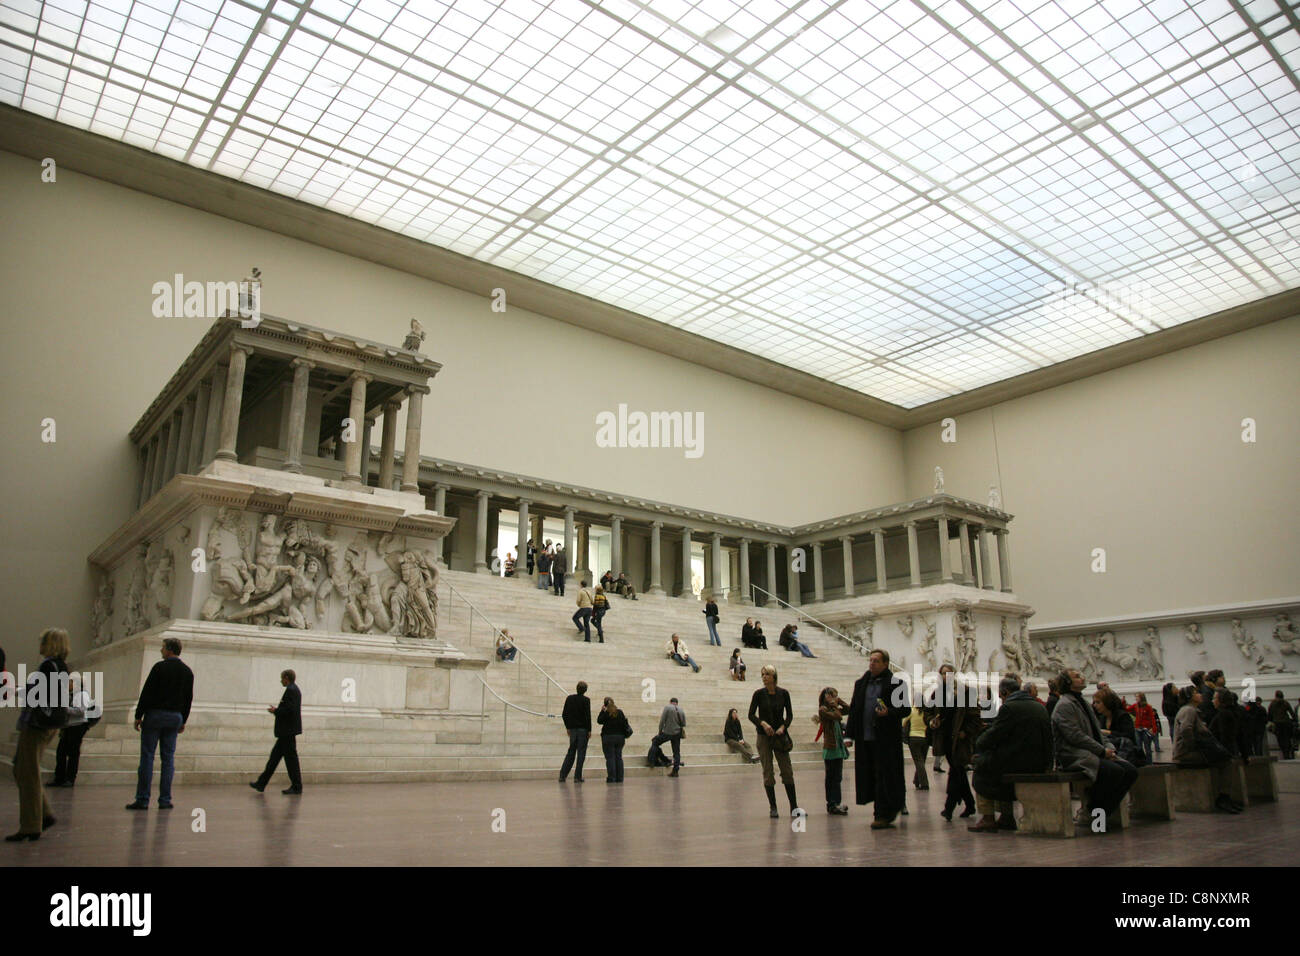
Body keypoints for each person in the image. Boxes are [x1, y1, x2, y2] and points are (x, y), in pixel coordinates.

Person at [1051, 668, 1137, 830]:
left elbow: (1097, 731)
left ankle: (1099, 809)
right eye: (1077, 676)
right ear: (1068, 683)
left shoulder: (1083, 702)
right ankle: (1093, 811)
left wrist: (1109, 748)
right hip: (1074, 754)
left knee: (1130, 771)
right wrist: (1102, 751)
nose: (1082, 677)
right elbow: (1075, 736)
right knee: (1114, 771)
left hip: (1092, 751)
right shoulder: (1064, 705)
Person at [7, 628, 71, 841]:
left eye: (42, 642)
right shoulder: (61, 667)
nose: (39, 646)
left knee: (27, 773)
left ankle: (31, 825)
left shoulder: (47, 666)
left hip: (36, 725)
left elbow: (36, 693)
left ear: (48, 644)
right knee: (23, 769)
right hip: (49, 723)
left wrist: (15, 691)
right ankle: (43, 814)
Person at [968, 674, 1052, 832]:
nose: (1001, 700)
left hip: (1019, 763)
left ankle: (988, 818)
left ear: (1005, 692)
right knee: (997, 765)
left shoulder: (1010, 707)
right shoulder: (1038, 706)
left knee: (981, 767)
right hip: (1038, 761)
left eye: (1001, 696)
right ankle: (1006, 817)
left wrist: (980, 743)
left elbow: (993, 735)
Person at [126, 637, 195, 811]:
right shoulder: (187, 672)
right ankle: (165, 799)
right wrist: (183, 720)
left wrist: (138, 714)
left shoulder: (159, 668)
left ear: (170, 650)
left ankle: (142, 798)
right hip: (174, 717)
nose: (161, 650)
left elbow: (147, 692)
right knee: (168, 759)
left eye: (163, 648)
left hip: (156, 715)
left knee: (148, 757)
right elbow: (188, 699)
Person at [845, 649, 909, 829]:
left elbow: (906, 710)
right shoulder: (861, 684)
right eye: (870, 660)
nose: (872, 663)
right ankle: (881, 811)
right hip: (865, 739)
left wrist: (889, 712)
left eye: (876, 661)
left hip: (886, 740)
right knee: (871, 775)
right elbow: (855, 710)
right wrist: (849, 734)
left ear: (885, 664)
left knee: (885, 776)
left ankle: (883, 813)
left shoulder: (897, 684)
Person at [1174, 685, 1242, 813]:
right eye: (1196, 693)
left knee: (1225, 759)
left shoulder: (1192, 710)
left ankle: (1225, 797)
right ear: (1190, 697)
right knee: (1226, 762)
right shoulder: (1189, 710)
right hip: (1187, 753)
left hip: (1190, 751)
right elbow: (1185, 729)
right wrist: (1192, 746)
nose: (1200, 694)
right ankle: (1223, 797)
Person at [749, 665, 797, 817]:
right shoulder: (758, 694)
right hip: (764, 736)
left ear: (774, 676)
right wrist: (762, 723)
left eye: (767, 674)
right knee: (768, 772)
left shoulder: (783, 693)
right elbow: (751, 715)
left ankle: (794, 807)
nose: (764, 677)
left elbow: (789, 715)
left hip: (779, 735)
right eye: (762, 674)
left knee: (787, 771)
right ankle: (773, 807)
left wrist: (783, 727)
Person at [934, 666, 980, 820]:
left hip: (960, 740)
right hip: (945, 738)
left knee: (956, 771)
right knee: (958, 771)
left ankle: (949, 808)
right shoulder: (937, 693)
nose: (945, 676)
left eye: (947, 673)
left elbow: (975, 716)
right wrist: (932, 721)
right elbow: (928, 712)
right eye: (942, 674)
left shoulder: (966, 692)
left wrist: (966, 732)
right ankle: (970, 805)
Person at [249, 669, 303, 795]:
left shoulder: (291, 690)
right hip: (287, 733)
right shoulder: (294, 690)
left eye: (282, 678)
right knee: (275, 759)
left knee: (289, 762)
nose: (281, 681)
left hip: (287, 733)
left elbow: (289, 710)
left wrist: (276, 711)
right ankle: (261, 783)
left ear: (287, 678)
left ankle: (296, 786)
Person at [51, 674, 98, 788]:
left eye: (70, 682)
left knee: (73, 753)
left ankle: (70, 778)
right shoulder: (71, 695)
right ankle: (59, 777)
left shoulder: (82, 695)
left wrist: (64, 709)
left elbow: (81, 711)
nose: (68, 684)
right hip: (68, 726)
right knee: (61, 752)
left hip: (77, 726)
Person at [818, 687, 850, 815]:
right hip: (830, 748)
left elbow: (848, 709)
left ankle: (835, 802)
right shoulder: (823, 709)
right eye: (830, 696)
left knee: (838, 777)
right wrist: (835, 705)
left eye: (835, 695)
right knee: (832, 777)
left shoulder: (833, 708)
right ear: (825, 697)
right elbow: (838, 716)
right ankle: (832, 803)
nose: (833, 698)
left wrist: (839, 701)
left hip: (838, 747)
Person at [1094, 686, 1145, 767]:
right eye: (1094, 702)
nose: (1095, 705)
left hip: (1126, 754)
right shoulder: (1102, 718)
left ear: (1107, 702)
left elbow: (1129, 735)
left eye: (1098, 702)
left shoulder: (1122, 716)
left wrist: (1108, 732)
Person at [558, 681, 591, 782]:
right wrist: (589, 730)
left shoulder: (570, 698)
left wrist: (568, 727)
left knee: (571, 752)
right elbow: (587, 716)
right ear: (585, 690)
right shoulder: (586, 700)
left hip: (572, 730)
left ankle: (562, 775)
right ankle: (577, 776)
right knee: (581, 753)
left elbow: (564, 714)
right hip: (583, 730)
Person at [597, 696, 631, 783]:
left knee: (610, 758)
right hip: (620, 738)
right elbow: (624, 724)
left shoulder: (606, 712)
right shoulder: (620, 712)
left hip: (608, 738)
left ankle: (612, 777)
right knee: (618, 757)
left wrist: (602, 711)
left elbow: (599, 721)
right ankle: (620, 778)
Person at [649, 697, 686, 776]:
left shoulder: (667, 708)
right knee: (676, 752)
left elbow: (662, 720)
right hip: (677, 734)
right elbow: (683, 724)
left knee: (655, 742)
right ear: (677, 703)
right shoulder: (681, 710)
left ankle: (652, 761)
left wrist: (660, 730)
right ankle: (675, 771)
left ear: (670, 702)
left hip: (667, 732)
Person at [1209, 688, 1247, 758]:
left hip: (1224, 754)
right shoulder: (1231, 712)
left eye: (1214, 698)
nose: (1212, 701)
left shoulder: (1223, 714)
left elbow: (1224, 735)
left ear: (1221, 700)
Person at [904, 700, 930, 791]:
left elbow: (903, 722)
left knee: (919, 762)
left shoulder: (912, 711)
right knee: (921, 761)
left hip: (914, 738)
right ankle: (917, 780)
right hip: (925, 739)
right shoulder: (926, 712)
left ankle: (924, 784)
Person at [1127, 691, 1161, 760]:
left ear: (1141, 698)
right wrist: (1123, 703)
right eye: (1135, 697)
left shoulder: (1148, 707)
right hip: (1137, 728)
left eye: (1137, 697)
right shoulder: (1135, 705)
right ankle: (1141, 760)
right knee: (1139, 746)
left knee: (1147, 747)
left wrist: (1154, 728)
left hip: (1146, 729)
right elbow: (1127, 709)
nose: (1136, 698)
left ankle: (1149, 762)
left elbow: (1152, 718)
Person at [1267, 690, 1296, 759]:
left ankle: (1284, 752)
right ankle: (1287, 753)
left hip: (1277, 723)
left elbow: (1269, 715)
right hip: (1286, 723)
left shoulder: (1272, 703)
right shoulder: (1286, 703)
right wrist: (1294, 720)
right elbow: (1292, 713)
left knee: (1280, 739)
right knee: (1287, 738)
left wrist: (1272, 720)